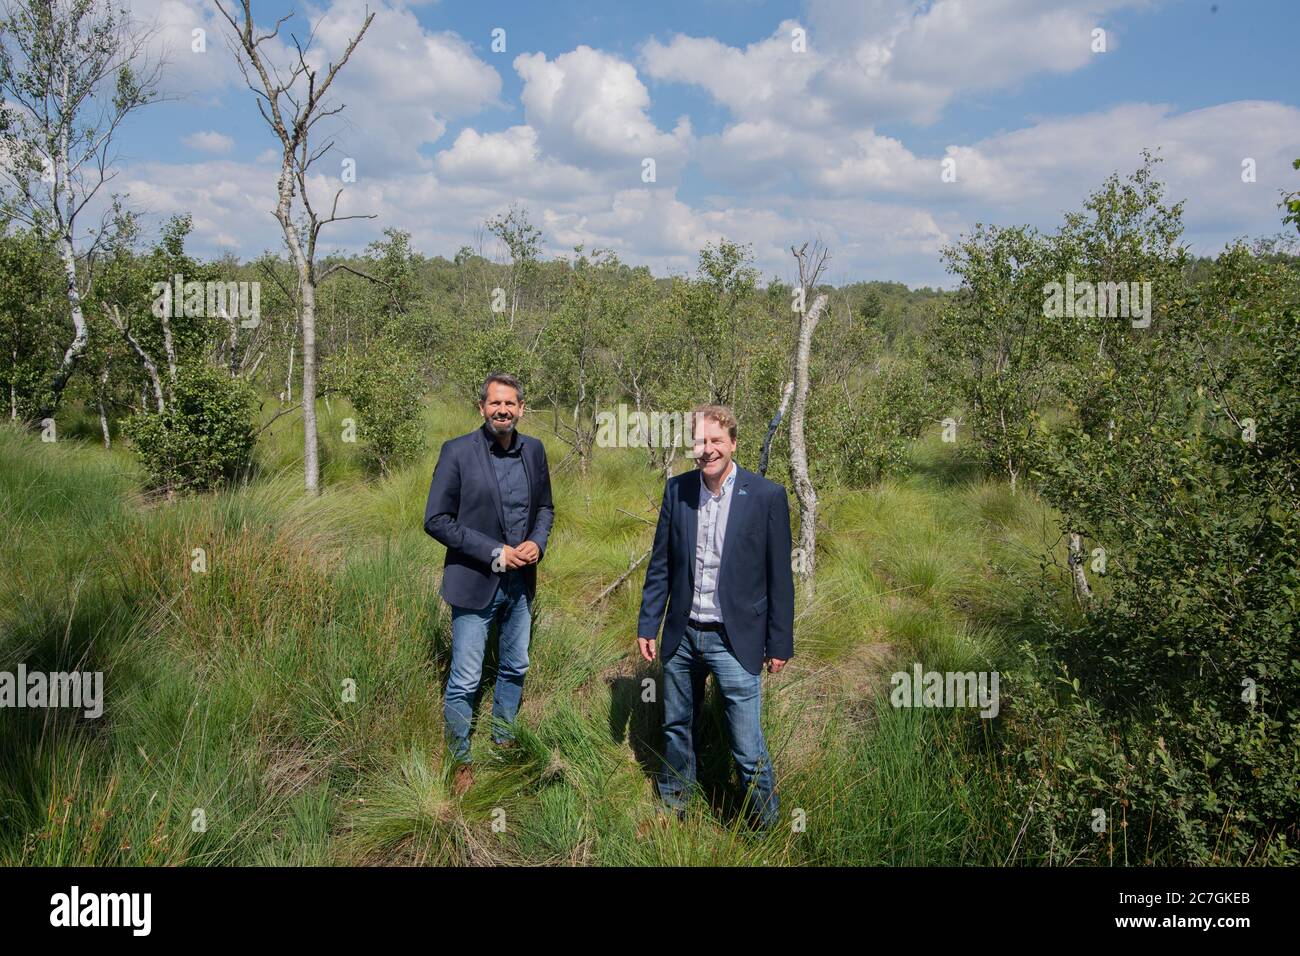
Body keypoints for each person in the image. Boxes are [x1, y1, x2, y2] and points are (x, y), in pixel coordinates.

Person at [636, 404, 795, 829]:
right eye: (700, 441)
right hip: (683, 634)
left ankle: (766, 827)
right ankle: (675, 805)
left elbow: (780, 577)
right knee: (676, 726)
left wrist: (779, 643)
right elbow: (662, 565)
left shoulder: (766, 496)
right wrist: (648, 622)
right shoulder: (678, 490)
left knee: (746, 746)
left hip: (735, 639)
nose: (707, 450)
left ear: (733, 444)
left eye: (716, 441)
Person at [424, 372, 554, 795]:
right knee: (465, 677)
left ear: (521, 409)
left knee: (516, 665)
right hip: (476, 581)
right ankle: (460, 759)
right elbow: (437, 520)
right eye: (495, 403)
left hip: (520, 584)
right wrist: (496, 552)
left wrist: (536, 541)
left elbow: (546, 507)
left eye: (510, 404)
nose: (503, 410)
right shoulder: (457, 452)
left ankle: (503, 735)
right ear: (482, 408)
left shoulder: (533, 451)